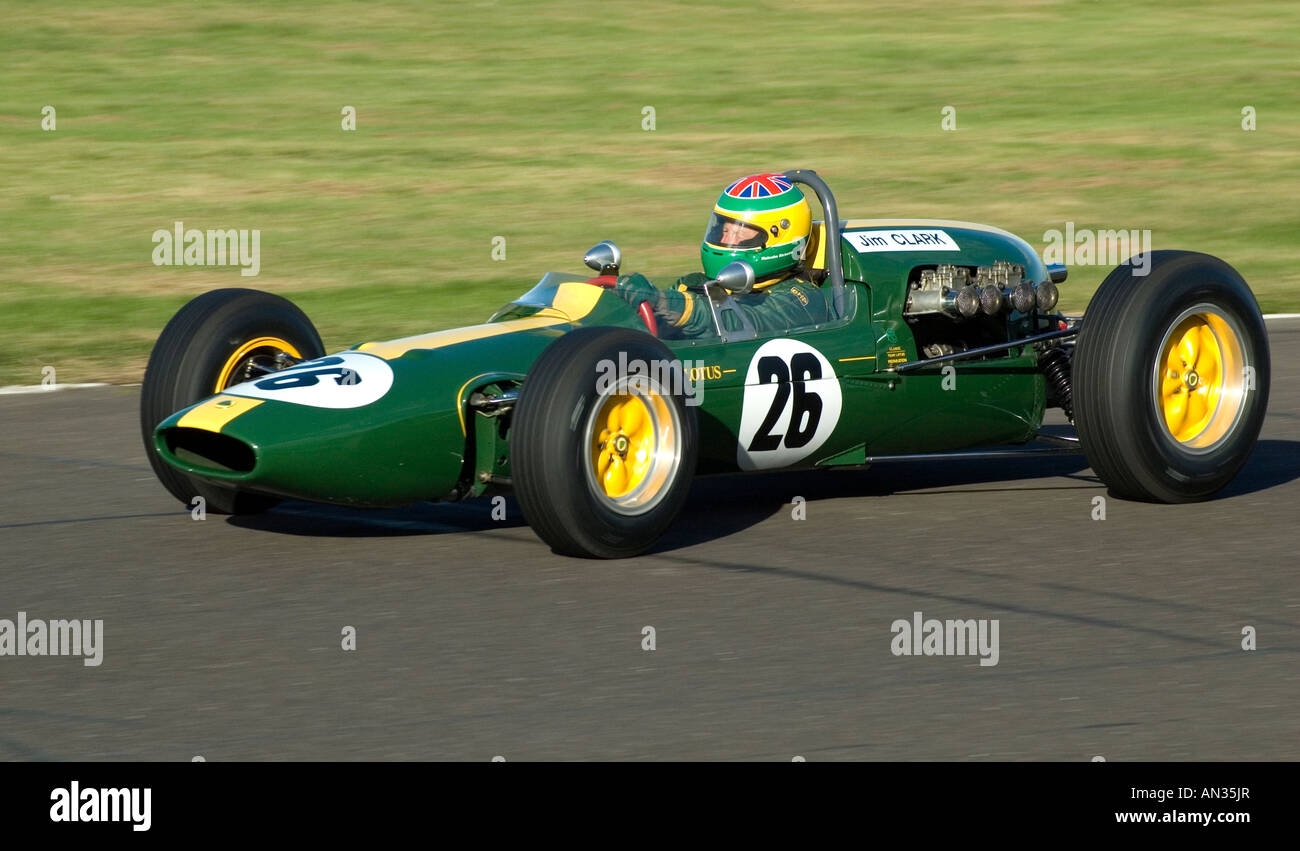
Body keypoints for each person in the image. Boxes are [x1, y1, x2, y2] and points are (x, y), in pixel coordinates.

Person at [613, 173, 830, 337]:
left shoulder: (803, 299)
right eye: (724, 230)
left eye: (740, 232)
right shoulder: (693, 284)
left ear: (780, 238)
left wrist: (666, 303)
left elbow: (744, 321)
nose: (725, 240)